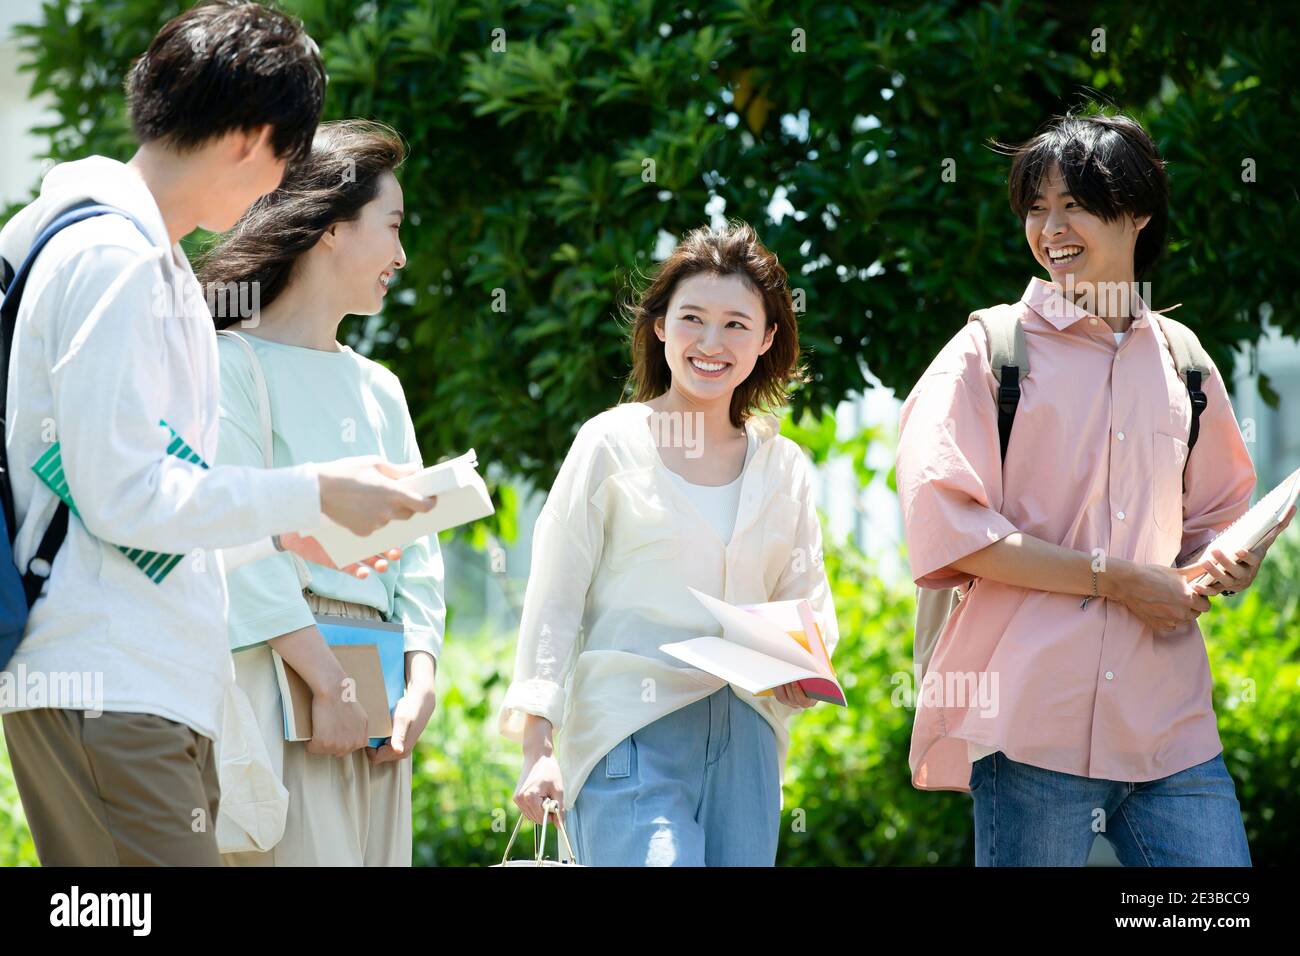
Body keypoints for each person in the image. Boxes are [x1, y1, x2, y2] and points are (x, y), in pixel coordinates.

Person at [0, 1, 432, 867]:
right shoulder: (113, 259)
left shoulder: (102, 245)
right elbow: (127, 494)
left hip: (123, 677)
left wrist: (283, 525)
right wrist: (308, 492)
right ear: (251, 137)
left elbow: (135, 493)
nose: (274, 192)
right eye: (284, 158)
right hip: (109, 674)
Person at [895, 109, 1294, 866]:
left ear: (1138, 212)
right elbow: (949, 523)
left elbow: (1214, 514)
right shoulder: (988, 352)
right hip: (1029, 722)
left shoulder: (1184, 361)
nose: (1052, 228)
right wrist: (1115, 580)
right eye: (1037, 208)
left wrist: (1227, 560)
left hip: (1168, 724)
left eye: (1075, 203)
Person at [502, 221, 839, 866]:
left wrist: (805, 665)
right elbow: (554, 597)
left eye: (737, 324)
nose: (711, 343)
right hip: (631, 725)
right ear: (660, 326)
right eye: (693, 319)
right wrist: (537, 747)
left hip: (747, 734)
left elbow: (806, 598)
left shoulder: (784, 464)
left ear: (768, 337)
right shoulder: (610, 443)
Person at [199, 120, 444, 866]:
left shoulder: (381, 387)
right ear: (333, 228)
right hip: (285, 675)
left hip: (378, 686)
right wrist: (329, 683)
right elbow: (232, 542)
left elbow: (419, 553)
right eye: (392, 226)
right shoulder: (228, 362)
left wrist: (421, 678)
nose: (402, 256)